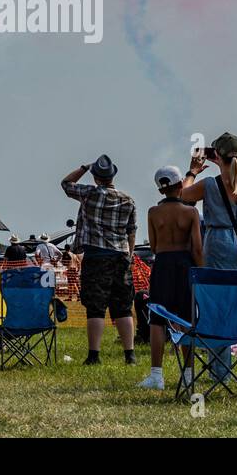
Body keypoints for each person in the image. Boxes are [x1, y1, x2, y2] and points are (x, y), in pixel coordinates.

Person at [180, 132, 237, 381]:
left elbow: (184, 196)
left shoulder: (210, 185)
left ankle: (220, 371)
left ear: (216, 155)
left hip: (218, 246)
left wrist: (193, 171)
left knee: (218, 308)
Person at [61, 155, 138, 365]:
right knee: (123, 307)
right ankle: (129, 354)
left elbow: (66, 184)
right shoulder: (127, 200)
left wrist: (85, 166)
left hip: (96, 256)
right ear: (113, 175)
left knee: (95, 308)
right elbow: (131, 232)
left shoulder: (89, 194)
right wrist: (128, 256)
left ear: (96, 176)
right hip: (120, 256)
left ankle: (94, 355)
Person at [138, 166, 203, 390]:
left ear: (160, 190)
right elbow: (197, 247)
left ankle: (156, 374)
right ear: (179, 186)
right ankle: (188, 373)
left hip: (163, 264)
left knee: (157, 319)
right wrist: (201, 271)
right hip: (185, 264)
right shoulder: (191, 213)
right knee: (186, 319)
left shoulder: (153, 213)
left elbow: (154, 246)